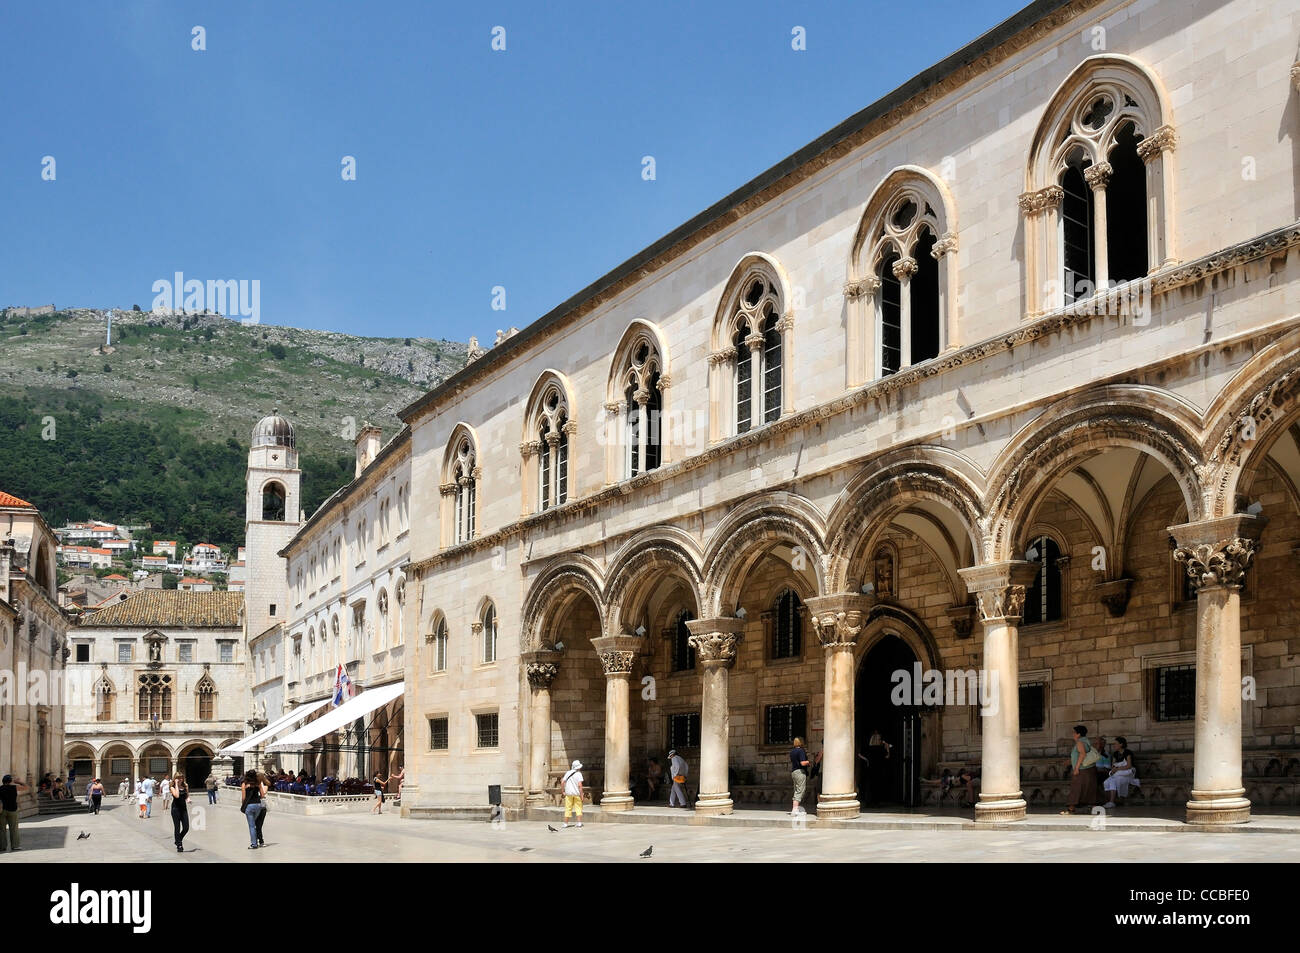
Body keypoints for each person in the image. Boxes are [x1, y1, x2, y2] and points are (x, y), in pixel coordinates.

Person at [1061, 724, 1099, 814]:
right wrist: (1069, 762)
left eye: (1074, 732)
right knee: (1089, 788)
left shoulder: (1080, 742)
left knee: (1076, 788)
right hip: (1089, 769)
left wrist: (1076, 768)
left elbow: (1082, 754)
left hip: (1083, 770)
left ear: (1078, 734)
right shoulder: (1086, 741)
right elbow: (1079, 755)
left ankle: (1071, 808)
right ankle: (1093, 807)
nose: (1073, 734)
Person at [1103, 737, 1140, 808]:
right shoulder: (1115, 753)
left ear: (1121, 744)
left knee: (1113, 781)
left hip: (1127, 773)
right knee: (1106, 782)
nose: (1114, 745)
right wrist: (1114, 769)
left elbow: (1129, 765)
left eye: (1115, 744)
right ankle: (1109, 801)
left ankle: (1112, 802)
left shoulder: (1127, 752)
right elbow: (1113, 765)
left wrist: (1117, 769)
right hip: (1118, 773)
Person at [240, 770, 267, 849]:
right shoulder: (258, 783)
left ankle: (254, 844)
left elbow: (244, 797)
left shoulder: (244, 784)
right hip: (258, 805)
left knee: (252, 826)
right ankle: (260, 841)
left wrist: (243, 805)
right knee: (256, 824)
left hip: (249, 806)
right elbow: (262, 795)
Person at [0, 775, 25, 850]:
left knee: (1, 829)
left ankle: (2, 846)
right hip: (13, 810)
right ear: (10, 781)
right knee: (14, 828)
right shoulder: (14, 787)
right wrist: (18, 782)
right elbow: (27, 787)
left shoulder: (0, 788)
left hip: (2, 811)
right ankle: (15, 846)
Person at [790, 736, 811, 815]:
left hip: (794, 772)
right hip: (800, 772)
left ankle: (795, 809)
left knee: (796, 790)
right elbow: (802, 763)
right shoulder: (801, 751)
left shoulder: (792, 751)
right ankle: (795, 810)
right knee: (800, 790)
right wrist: (808, 762)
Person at [561, 759, 584, 828]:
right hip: (577, 794)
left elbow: (562, 782)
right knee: (578, 808)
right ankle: (579, 823)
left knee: (568, 808)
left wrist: (563, 791)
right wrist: (582, 795)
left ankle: (565, 823)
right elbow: (580, 785)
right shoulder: (579, 774)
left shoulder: (568, 773)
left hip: (569, 794)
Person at [170, 775, 190, 852]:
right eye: (178, 778)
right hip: (175, 809)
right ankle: (179, 845)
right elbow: (177, 796)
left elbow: (187, 796)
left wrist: (188, 799)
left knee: (186, 827)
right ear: (175, 779)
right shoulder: (172, 787)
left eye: (181, 778)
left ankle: (178, 840)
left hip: (183, 809)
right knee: (177, 828)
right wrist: (176, 785)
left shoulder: (185, 786)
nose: (180, 779)